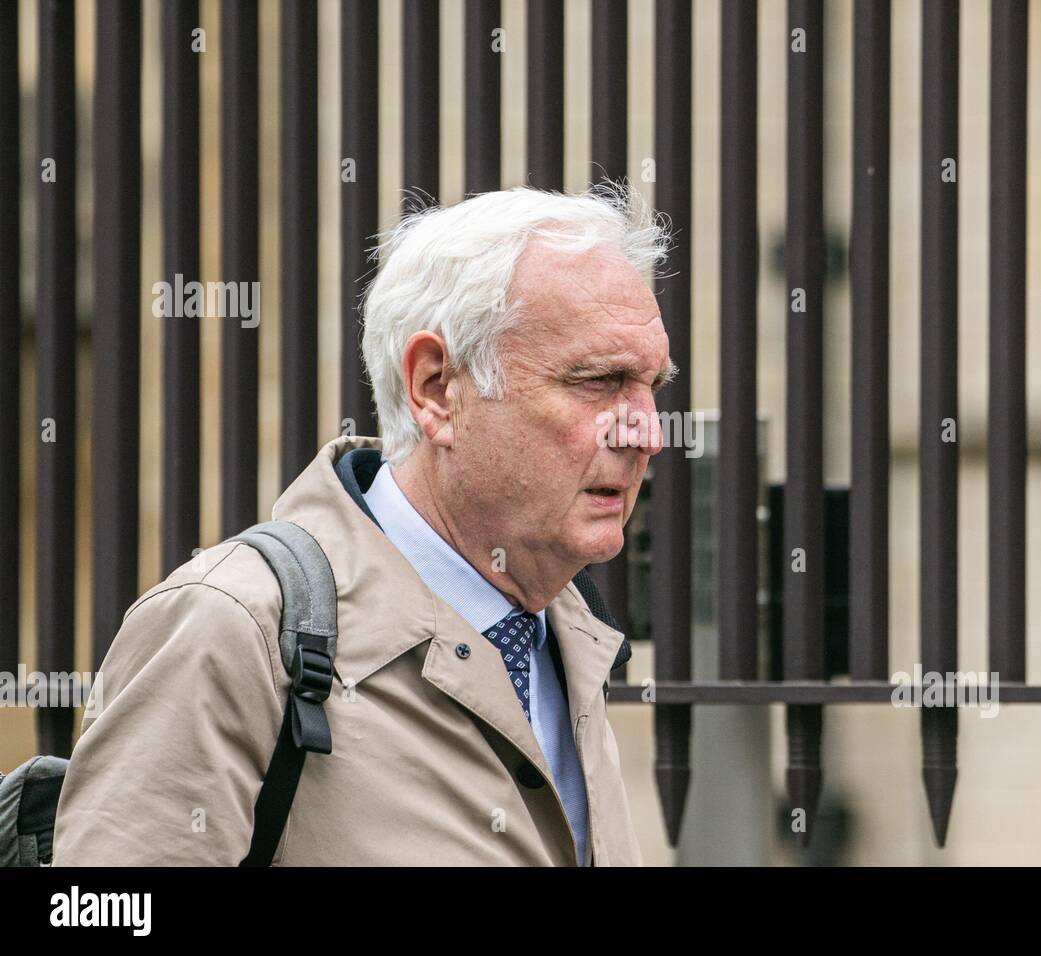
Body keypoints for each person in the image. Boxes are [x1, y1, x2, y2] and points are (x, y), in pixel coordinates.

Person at [52, 182, 674, 865]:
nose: (646, 430)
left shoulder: (566, 633)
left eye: (652, 387)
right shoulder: (234, 626)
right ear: (436, 389)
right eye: (599, 381)